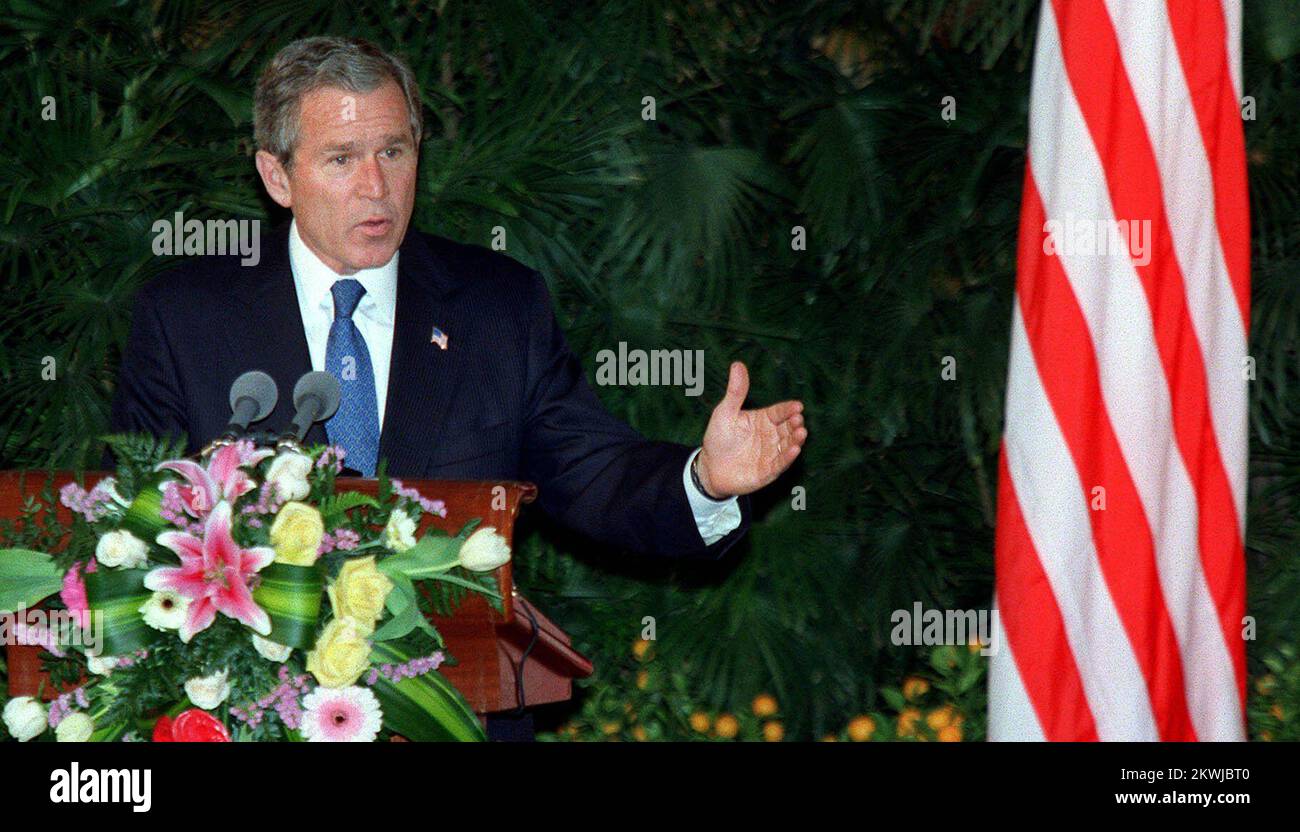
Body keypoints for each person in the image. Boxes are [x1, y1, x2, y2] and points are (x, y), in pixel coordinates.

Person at [107, 36, 808, 737]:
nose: (376, 187)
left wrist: (707, 480)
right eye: (342, 159)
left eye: (394, 151)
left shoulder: (497, 307)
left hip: (459, 713)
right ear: (277, 176)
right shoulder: (184, 319)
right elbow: (132, 535)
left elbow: (592, 472)